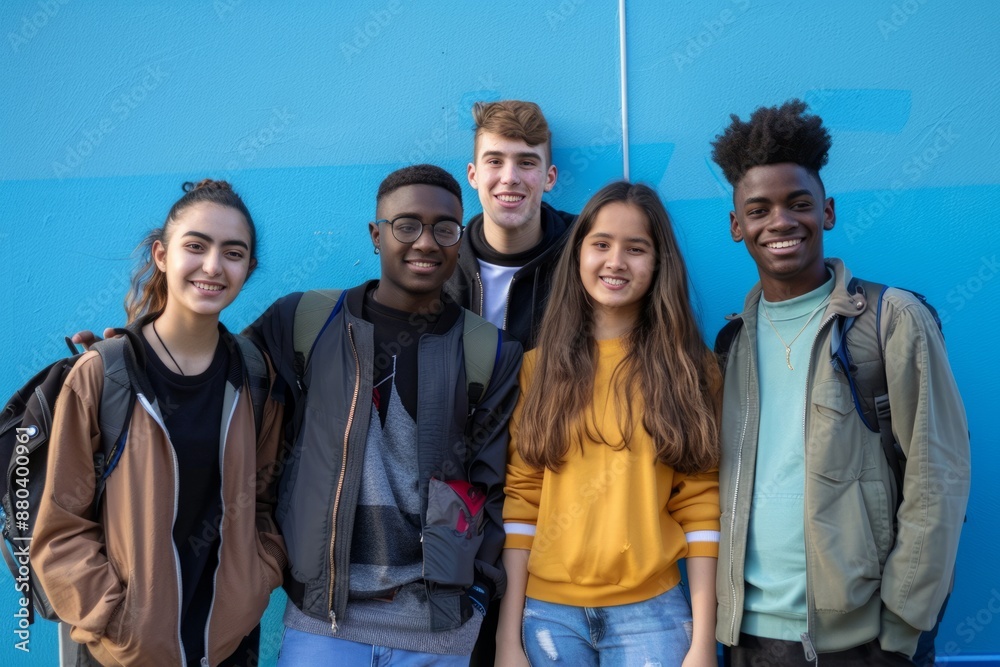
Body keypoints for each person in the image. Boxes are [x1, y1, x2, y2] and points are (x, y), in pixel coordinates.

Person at [710, 100, 971, 665]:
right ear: (736, 227)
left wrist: (902, 629)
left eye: (797, 203)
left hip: (865, 641)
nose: (780, 221)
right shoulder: (732, 343)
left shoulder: (890, 319)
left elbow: (939, 478)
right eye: (758, 209)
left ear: (827, 212)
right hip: (749, 638)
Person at [244, 164, 523, 664]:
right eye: (406, 225)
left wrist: (477, 593)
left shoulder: (490, 351)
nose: (426, 242)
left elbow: (498, 485)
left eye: (445, 228)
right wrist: (124, 354)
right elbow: (215, 377)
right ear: (376, 235)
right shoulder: (304, 320)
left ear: (460, 239)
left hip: (437, 627)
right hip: (323, 623)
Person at [31, 180, 287, 666]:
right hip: (123, 653)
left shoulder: (254, 375)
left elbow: (267, 498)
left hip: (229, 647)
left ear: (248, 269)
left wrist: (256, 581)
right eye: (196, 246)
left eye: (233, 253)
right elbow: (59, 526)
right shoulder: (104, 374)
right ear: (162, 255)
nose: (213, 266)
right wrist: (115, 617)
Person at [496, 181, 723, 667]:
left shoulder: (690, 369)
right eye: (601, 244)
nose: (616, 261)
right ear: (578, 254)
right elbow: (521, 500)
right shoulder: (536, 370)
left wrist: (704, 643)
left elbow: (703, 503)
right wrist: (507, 639)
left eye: (636, 248)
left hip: (653, 616)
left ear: (659, 262)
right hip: (546, 616)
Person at [446, 99, 576, 350]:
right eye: (495, 161)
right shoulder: (443, 258)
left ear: (549, 178)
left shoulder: (584, 251)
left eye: (526, 162)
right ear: (473, 175)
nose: (509, 178)